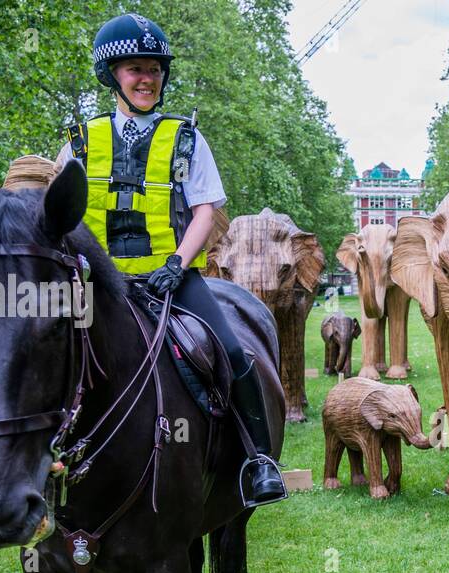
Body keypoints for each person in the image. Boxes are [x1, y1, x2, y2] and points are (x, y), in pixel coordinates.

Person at [55, 13, 286, 506]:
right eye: (134, 68)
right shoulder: (78, 142)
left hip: (171, 277)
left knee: (231, 350)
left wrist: (178, 264)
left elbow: (205, 211)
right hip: (94, 285)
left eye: (155, 69)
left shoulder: (187, 138)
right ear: (111, 76)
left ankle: (259, 461)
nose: (146, 78)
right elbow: (57, 214)